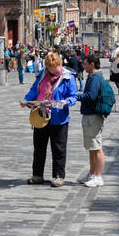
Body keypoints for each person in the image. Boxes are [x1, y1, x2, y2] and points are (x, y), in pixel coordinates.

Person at [21, 51, 78, 187]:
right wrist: (26, 100)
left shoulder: (67, 77)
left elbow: (74, 95)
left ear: (59, 64)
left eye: (55, 67)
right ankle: (37, 175)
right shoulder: (43, 74)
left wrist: (66, 102)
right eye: (50, 68)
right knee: (39, 146)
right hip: (41, 115)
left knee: (58, 147)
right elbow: (35, 90)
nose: (53, 70)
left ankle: (58, 176)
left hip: (59, 118)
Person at [78, 54, 112, 187]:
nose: (84, 66)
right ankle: (92, 174)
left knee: (97, 147)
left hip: (93, 115)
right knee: (92, 147)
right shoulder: (93, 77)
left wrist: (76, 96)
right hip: (89, 115)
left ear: (92, 64)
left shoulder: (95, 78)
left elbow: (91, 96)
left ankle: (98, 176)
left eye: (85, 64)